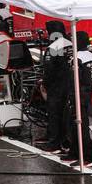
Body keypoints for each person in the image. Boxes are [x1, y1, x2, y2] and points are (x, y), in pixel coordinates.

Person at [64, 30, 92, 169]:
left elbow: (73, 78)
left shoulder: (76, 57)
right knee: (78, 124)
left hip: (78, 94)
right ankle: (74, 153)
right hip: (88, 93)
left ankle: (85, 157)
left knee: (79, 125)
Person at [37, 21, 70, 152]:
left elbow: (49, 69)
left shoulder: (55, 46)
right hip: (71, 84)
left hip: (57, 86)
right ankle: (64, 140)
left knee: (54, 113)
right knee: (66, 114)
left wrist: (44, 83)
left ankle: (53, 143)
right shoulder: (70, 43)